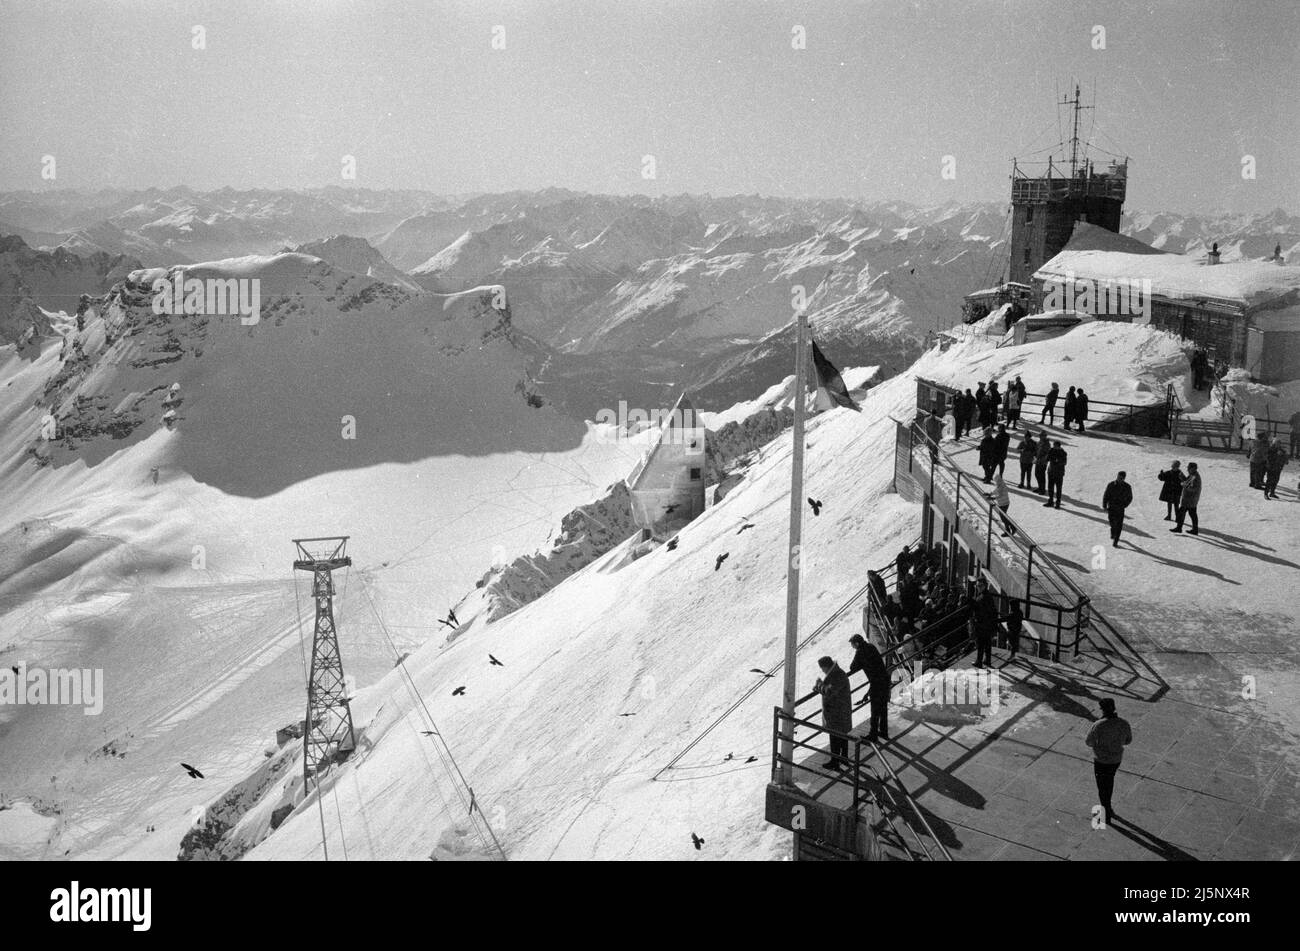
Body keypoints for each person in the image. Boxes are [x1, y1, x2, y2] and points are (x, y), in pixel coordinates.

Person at [1085, 697, 1133, 826]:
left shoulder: (1099, 725)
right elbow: (1128, 740)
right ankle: (1109, 808)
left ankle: (1104, 814)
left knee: (1102, 786)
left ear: (1103, 710)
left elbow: (1088, 742)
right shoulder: (1123, 723)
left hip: (1101, 760)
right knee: (1109, 781)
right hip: (1116, 759)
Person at [848, 634, 890, 741]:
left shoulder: (860, 652)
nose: (852, 646)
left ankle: (873, 735)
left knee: (875, 710)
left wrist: (859, 658)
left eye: (852, 644)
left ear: (857, 643)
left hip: (876, 683)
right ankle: (884, 732)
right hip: (884, 680)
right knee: (883, 708)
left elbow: (852, 667)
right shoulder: (871, 646)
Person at [814, 656, 853, 770]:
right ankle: (843, 759)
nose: (822, 671)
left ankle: (835, 762)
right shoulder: (837, 673)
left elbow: (829, 691)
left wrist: (819, 685)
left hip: (837, 712)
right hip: (840, 710)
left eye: (822, 668)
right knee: (842, 735)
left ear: (826, 666)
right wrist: (820, 686)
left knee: (835, 737)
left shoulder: (836, 675)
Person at [1102, 471, 1133, 547]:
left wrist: (1125, 505)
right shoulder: (1111, 485)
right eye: (1119, 477)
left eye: (1121, 478)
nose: (1120, 479)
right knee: (1112, 522)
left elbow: (1130, 497)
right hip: (1111, 507)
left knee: (1119, 525)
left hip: (1120, 508)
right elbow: (1106, 495)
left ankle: (1116, 540)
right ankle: (1113, 532)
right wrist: (1104, 505)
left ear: (1124, 478)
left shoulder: (1127, 487)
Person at [972, 580, 998, 668]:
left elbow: (980, 610)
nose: (978, 587)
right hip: (987, 624)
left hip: (982, 624)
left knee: (980, 643)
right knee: (987, 643)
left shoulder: (983, 597)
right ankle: (987, 660)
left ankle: (979, 661)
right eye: (977, 585)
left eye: (980, 585)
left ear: (985, 586)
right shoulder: (987, 596)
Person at [1172, 462, 1201, 534]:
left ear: (1193, 468)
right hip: (1190, 499)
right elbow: (1188, 482)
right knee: (1192, 514)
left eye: (1188, 468)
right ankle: (1194, 529)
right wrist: (1182, 478)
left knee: (1182, 513)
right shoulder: (1193, 475)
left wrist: (1184, 485)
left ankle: (1179, 528)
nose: (1187, 469)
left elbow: (1193, 488)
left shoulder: (1195, 477)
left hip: (1189, 500)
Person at [1044, 440, 1068, 508]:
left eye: (1054, 445)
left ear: (1058, 446)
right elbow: (1047, 459)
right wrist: (1049, 453)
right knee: (1050, 488)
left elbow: (1064, 463)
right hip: (1051, 472)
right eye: (1053, 445)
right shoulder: (1051, 451)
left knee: (1058, 489)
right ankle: (1050, 501)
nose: (1053, 447)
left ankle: (1058, 503)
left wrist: (1056, 460)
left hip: (1059, 473)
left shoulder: (1063, 453)